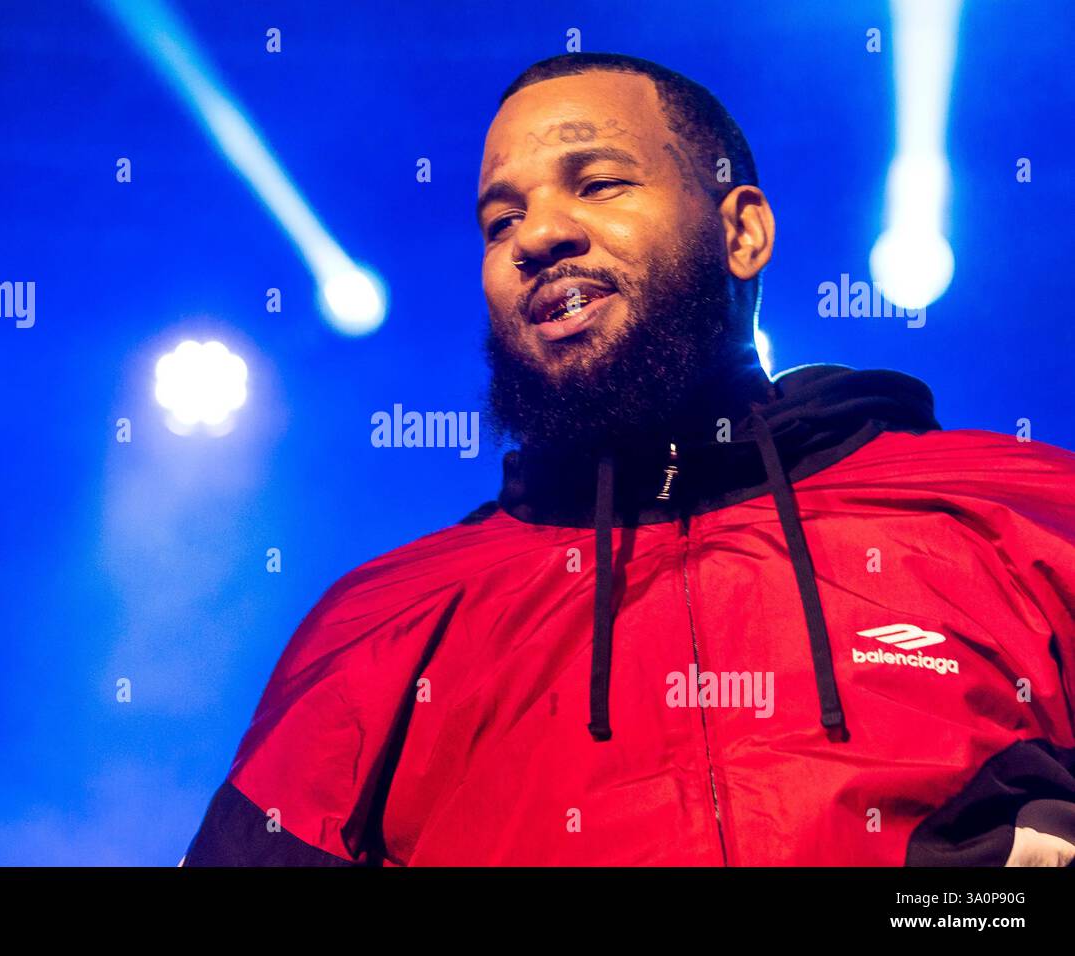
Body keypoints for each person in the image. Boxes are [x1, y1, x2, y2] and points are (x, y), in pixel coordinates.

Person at [183, 52, 1075, 866]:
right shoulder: (382, 627)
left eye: (599, 182)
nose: (535, 237)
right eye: (501, 219)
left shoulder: (1018, 514)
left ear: (743, 234)